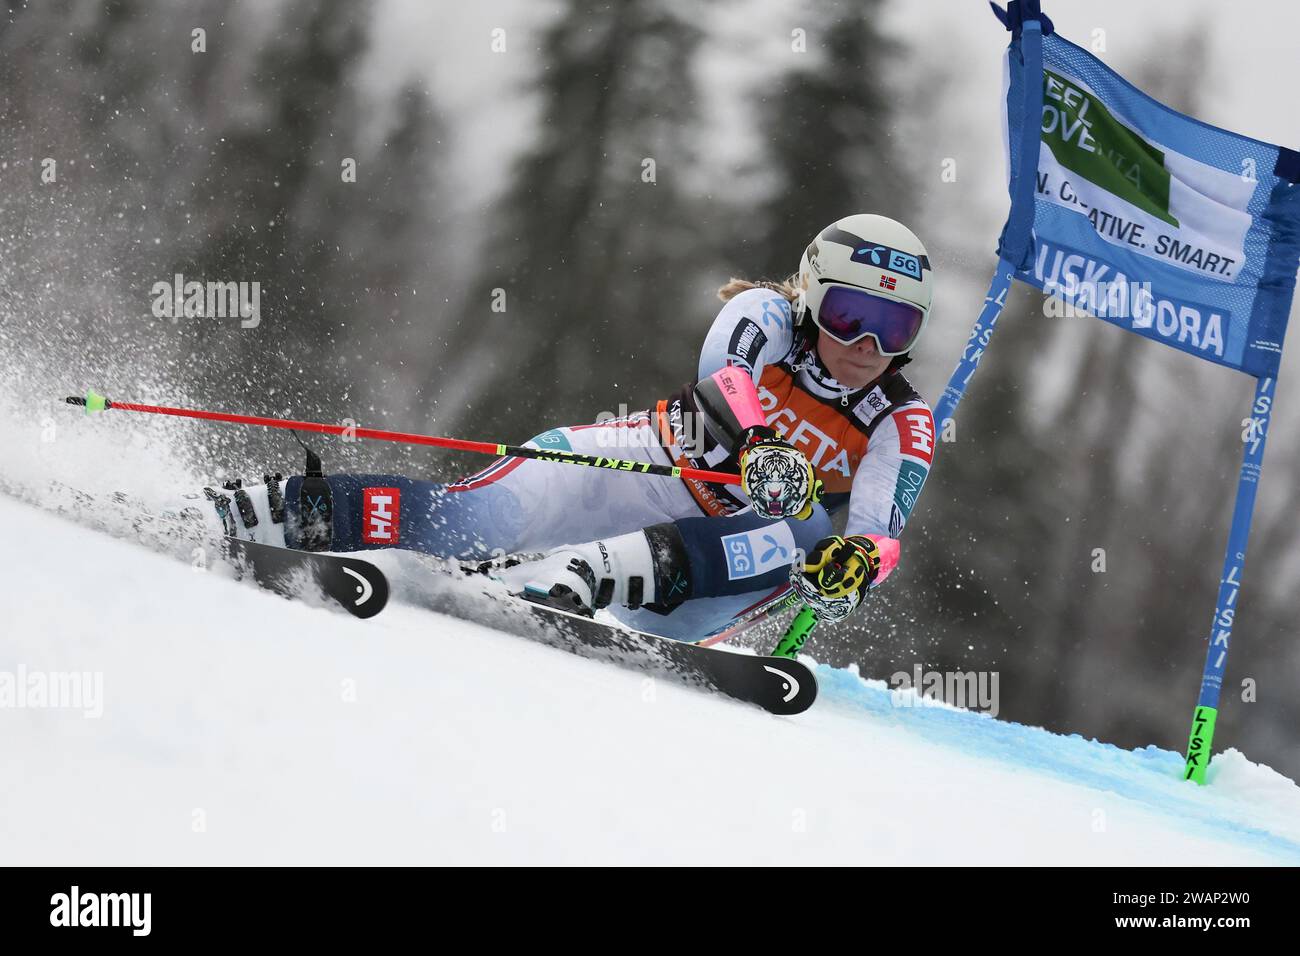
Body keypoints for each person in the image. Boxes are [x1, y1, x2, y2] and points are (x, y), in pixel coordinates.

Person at [200, 214, 936, 643]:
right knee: (470, 521)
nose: (866, 348)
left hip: (716, 570)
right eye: (851, 317)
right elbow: (727, 378)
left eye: (894, 328)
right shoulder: (769, 314)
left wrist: (859, 565)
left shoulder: (903, 420)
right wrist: (762, 444)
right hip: (640, 465)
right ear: (811, 296)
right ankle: (278, 508)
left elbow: (879, 531)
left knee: (800, 538)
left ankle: (586, 577)